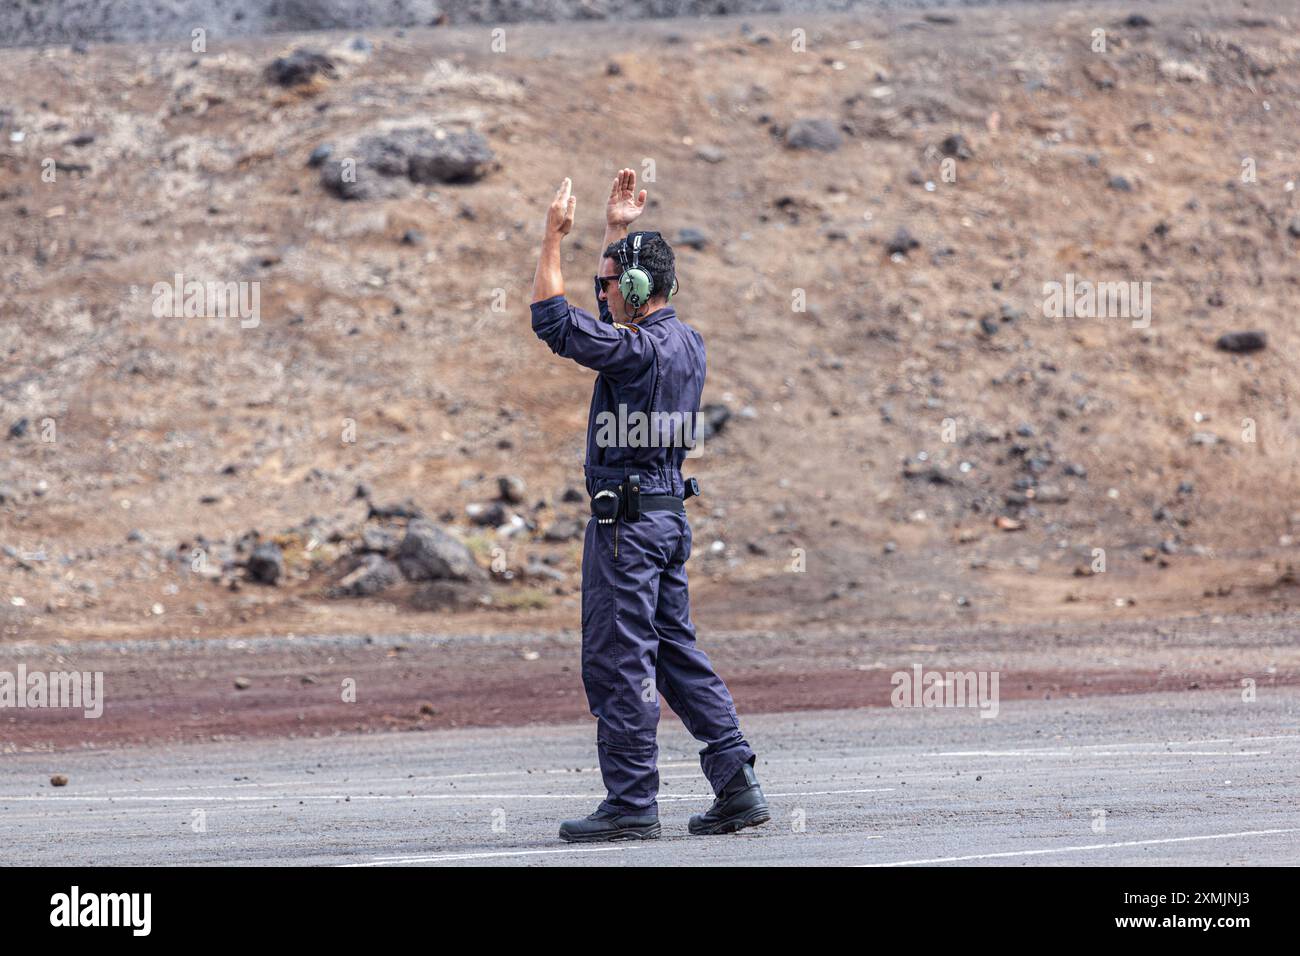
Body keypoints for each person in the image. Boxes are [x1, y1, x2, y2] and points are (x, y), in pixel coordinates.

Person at [529, 170, 770, 841]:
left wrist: (552, 237)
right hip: (667, 519)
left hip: (626, 531)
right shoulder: (686, 342)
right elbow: (614, 319)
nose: (601, 294)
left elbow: (552, 320)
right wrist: (617, 235)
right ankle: (737, 782)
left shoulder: (633, 355)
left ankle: (632, 801)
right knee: (675, 655)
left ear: (633, 290)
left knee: (620, 660)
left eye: (608, 284)